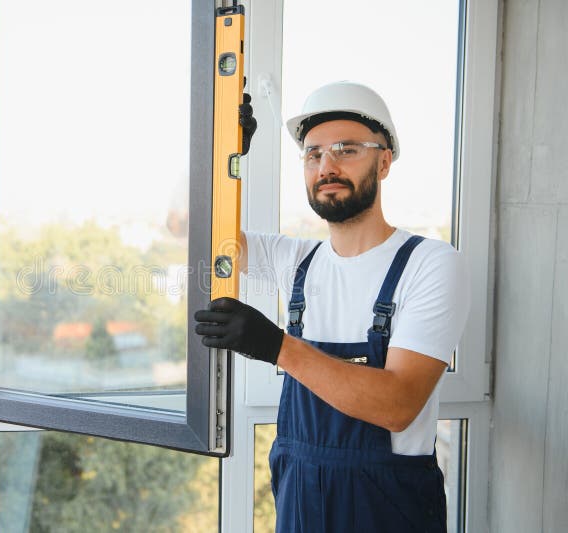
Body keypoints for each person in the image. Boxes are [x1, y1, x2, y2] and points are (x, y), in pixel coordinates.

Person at [194, 81, 470, 532]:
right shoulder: (298, 262)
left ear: (384, 162)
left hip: (387, 509)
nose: (327, 166)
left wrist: (276, 346)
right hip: (299, 500)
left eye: (346, 149)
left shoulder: (431, 264)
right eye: (313, 153)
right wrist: (218, 152)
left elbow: (398, 404)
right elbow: (186, 226)